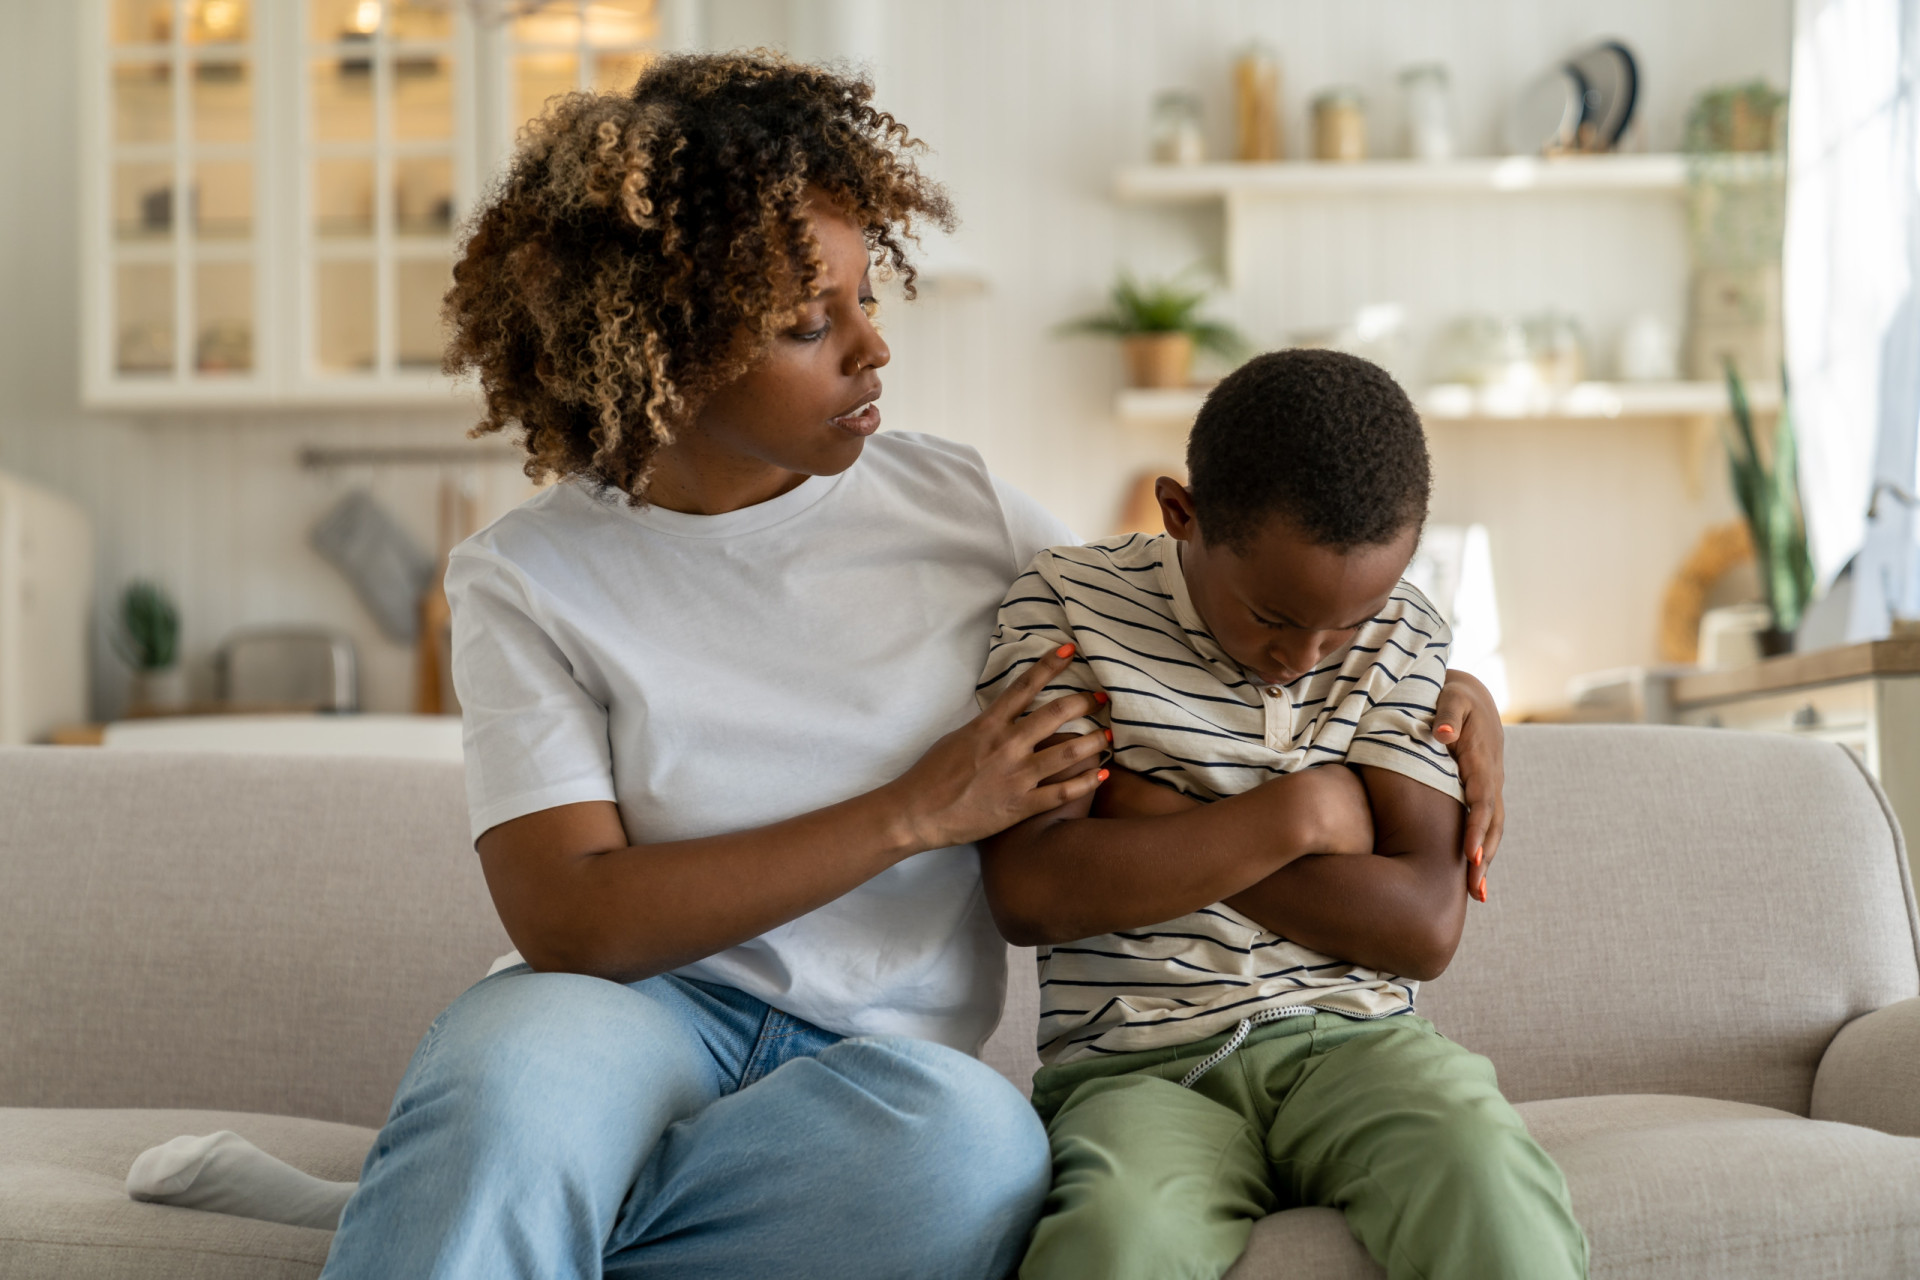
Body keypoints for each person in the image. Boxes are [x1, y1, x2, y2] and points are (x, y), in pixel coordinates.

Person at [120, 55, 1510, 1279]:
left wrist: (1453, 698)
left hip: (880, 1067)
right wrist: (917, 811)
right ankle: (483, 1198)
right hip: (630, 1019)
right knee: (509, 1089)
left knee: (979, 1159)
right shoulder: (526, 578)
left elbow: (1201, 620)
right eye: (807, 323)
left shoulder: (956, 505)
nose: (871, 344)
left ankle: (450, 1227)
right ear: (657, 355)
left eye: (862, 295)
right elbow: (576, 922)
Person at [974, 350, 1586, 1280]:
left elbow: (1420, 928)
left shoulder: (1406, 633)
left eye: (1346, 625)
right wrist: (1296, 814)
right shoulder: (1066, 602)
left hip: (1361, 1045)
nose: (1304, 657)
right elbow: (1031, 889)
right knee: (1115, 1238)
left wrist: (1150, 810)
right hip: (1135, 1066)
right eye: (1270, 614)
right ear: (1182, 514)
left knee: (1485, 1179)